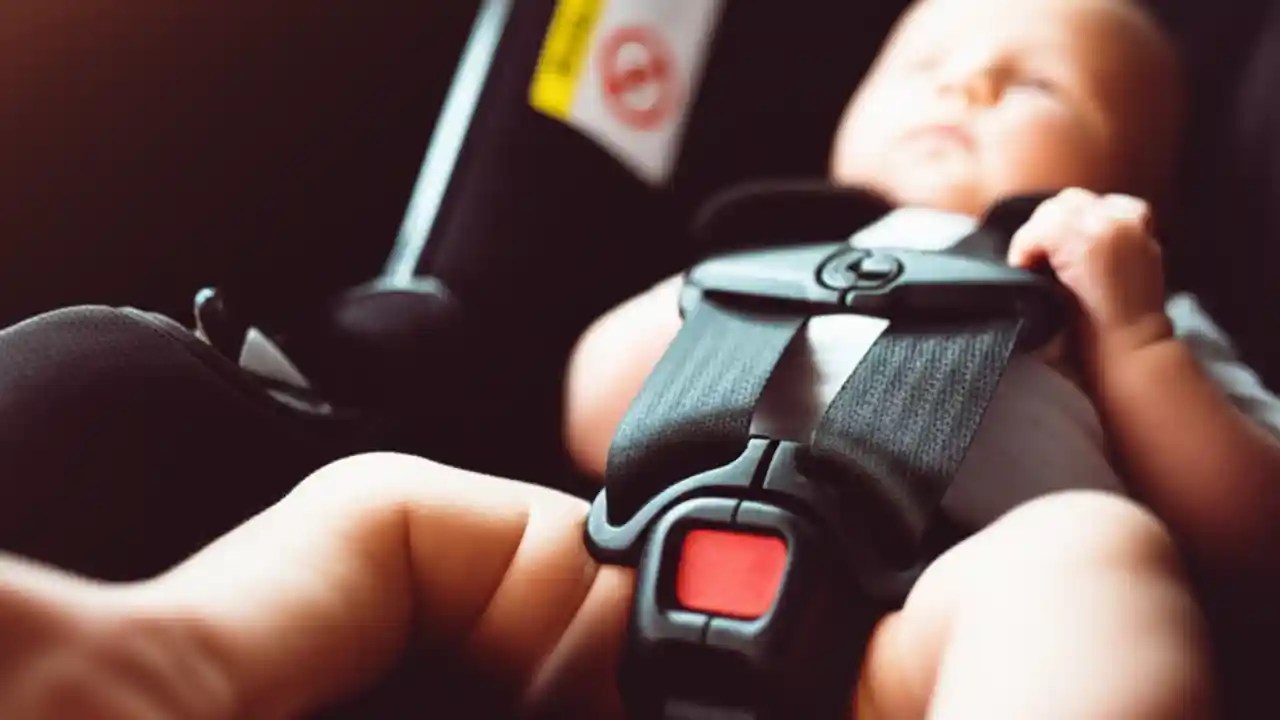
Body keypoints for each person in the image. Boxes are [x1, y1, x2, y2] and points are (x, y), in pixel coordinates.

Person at [0, 0, 1266, 717]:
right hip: (628, 574)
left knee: (1086, 555)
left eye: (1033, 84)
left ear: (1134, 185)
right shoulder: (757, 251)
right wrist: (695, 307)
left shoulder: (1120, 299)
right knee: (384, 504)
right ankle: (175, 656)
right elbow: (594, 409)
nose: (964, 88)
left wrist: (1134, 336)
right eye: (926, 65)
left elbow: (1248, 524)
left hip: (919, 633)